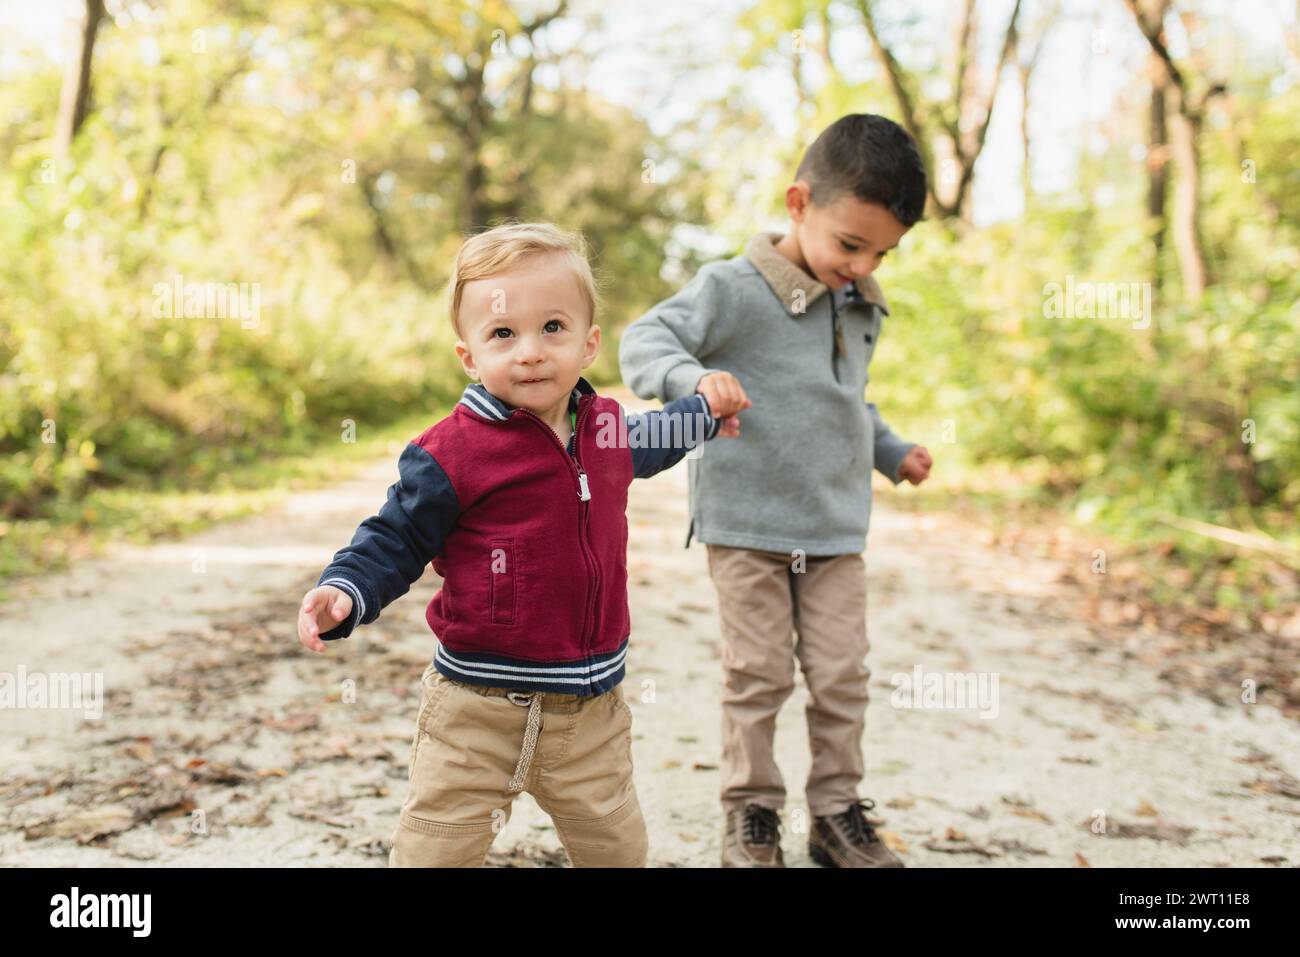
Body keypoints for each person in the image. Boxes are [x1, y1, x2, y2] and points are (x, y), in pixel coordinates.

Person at [296, 222, 740, 867]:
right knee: (434, 847)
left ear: (589, 345)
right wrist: (345, 589)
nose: (529, 351)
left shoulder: (607, 431)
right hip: (475, 710)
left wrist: (704, 409)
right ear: (470, 356)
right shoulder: (451, 453)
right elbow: (396, 534)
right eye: (503, 334)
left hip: (590, 712)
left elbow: (659, 435)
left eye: (552, 328)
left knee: (617, 847)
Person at [619, 114, 934, 867]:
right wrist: (694, 380)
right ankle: (752, 809)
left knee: (841, 672)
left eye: (883, 251)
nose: (862, 264)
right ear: (798, 203)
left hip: (833, 528)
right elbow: (643, 341)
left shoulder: (861, 304)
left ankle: (835, 811)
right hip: (747, 524)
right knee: (756, 671)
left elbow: (847, 397)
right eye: (850, 243)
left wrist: (891, 451)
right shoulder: (731, 288)